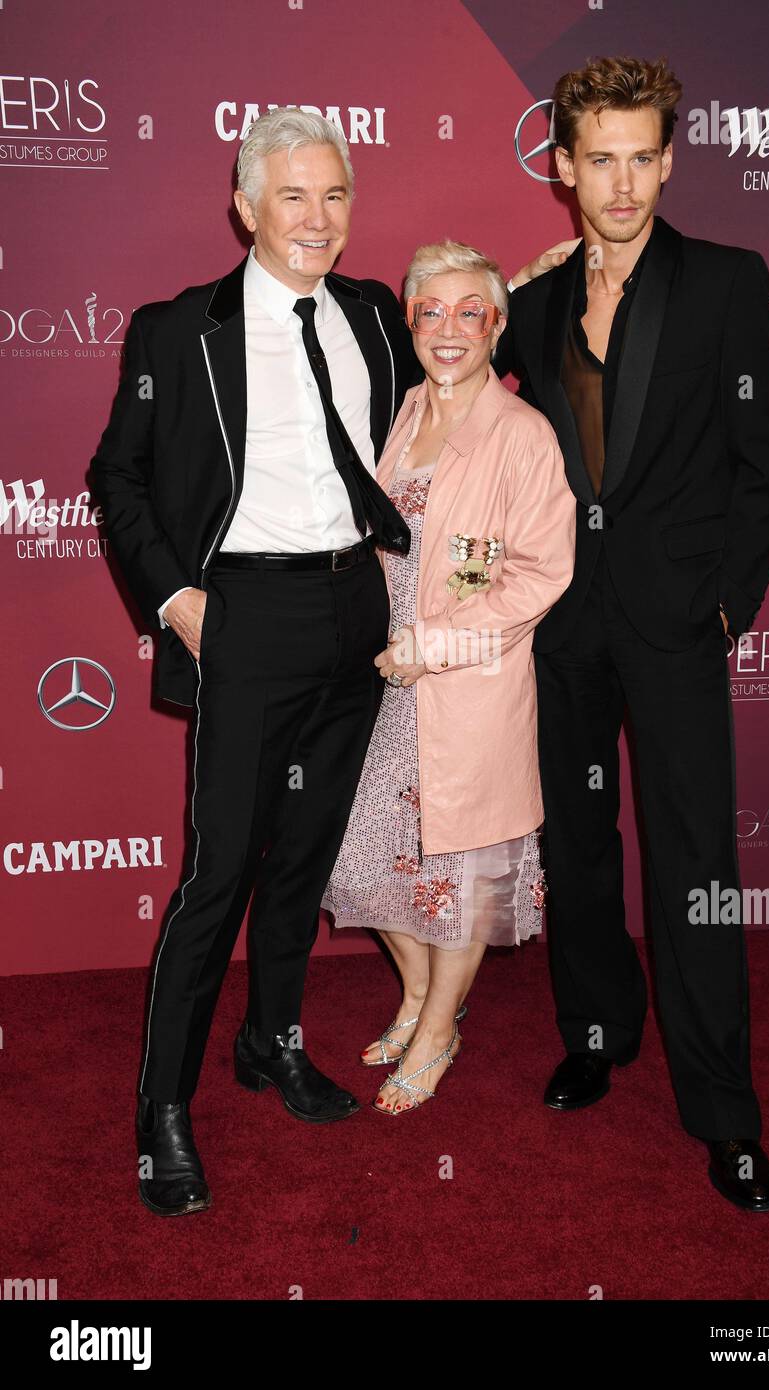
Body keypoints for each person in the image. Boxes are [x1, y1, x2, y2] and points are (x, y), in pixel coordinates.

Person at [89, 107, 424, 1216]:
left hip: (353, 608)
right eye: (294, 195)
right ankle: (163, 1109)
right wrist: (178, 599)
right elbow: (116, 476)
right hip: (247, 614)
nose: (319, 218)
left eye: (336, 195)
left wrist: (567, 268)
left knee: (302, 858)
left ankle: (270, 1039)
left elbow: (477, 325)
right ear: (244, 206)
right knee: (220, 870)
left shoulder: (374, 315)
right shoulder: (177, 330)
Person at [496, 56, 769, 1211]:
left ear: (667, 160)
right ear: (562, 166)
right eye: (598, 159)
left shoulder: (726, 281)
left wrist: (722, 608)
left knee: (695, 863)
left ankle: (726, 1112)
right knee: (576, 839)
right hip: (564, 622)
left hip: (674, 624)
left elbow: (762, 473)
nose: (622, 184)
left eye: (642, 158)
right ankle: (598, 1029)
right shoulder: (534, 303)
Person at [322, 240, 576, 1115]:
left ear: (498, 325)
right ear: (410, 321)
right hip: (378, 683)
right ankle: (423, 998)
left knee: (460, 874)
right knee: (368, 864)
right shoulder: (402, 412)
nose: (449, 329)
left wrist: (431, 645)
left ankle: (436, 1030)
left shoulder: (521, 433)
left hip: (463, 679)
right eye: (431, 311)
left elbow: (538, 574)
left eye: (472, 311)